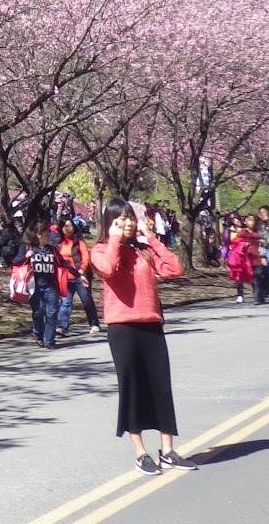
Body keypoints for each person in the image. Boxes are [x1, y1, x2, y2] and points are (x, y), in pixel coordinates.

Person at [91, 198, 194, 476]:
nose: (127, 223)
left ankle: (168, 451)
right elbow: (109, 269)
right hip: (122, 328)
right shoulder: (99, 250)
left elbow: (174, 269)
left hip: (151, 325)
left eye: (130, 219)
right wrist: (114, 240)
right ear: (110, 223)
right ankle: (141, 453)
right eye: (120, 219)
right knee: (132, 387)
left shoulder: (144, 251)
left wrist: (151, 238)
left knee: (161, 387)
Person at [13, 221, 74, 348]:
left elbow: (63, 263)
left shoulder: (52, 250)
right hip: (34, 286)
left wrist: (79, 275)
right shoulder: (29, 247)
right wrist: (26, 256)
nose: (49, 238)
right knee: (38, 312)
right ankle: (38, 333)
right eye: (47, 235)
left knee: (52, 313)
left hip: (51, 286)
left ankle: (49, 340)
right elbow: (16, 262)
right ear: (39, 235)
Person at [55, 217, 99, 335]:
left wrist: (82, 270)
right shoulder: (59, 243)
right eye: (65, 226)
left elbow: (85, 256)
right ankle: (63, 327)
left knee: (87, 301)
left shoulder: (79, 242)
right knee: (65, 303)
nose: (68, 228)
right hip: (65, 278)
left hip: (80, 277)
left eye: (70, 225)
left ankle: (94, 324)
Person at [225, 214, 260, 304]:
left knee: (252, 274)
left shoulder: (248, 230)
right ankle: (240, 294)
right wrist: (224, 255)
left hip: (249, 255)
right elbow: (227, 243)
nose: (237, 221)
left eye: (237, 219)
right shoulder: (229, 231)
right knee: (238, 276)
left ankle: (256, 294)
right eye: (234, 219)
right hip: (237, 255)